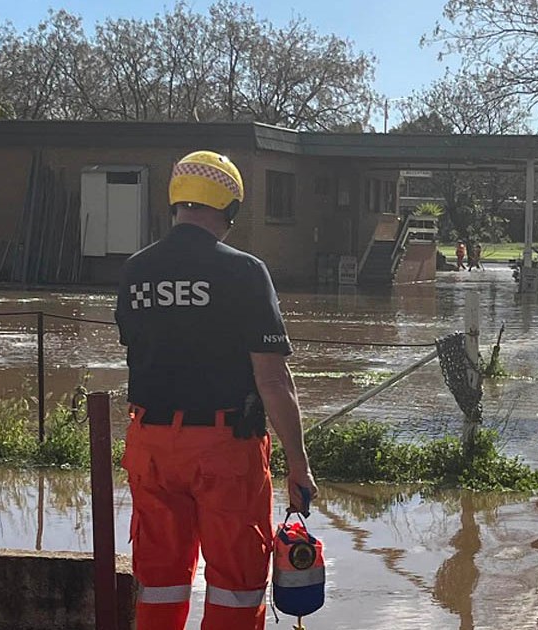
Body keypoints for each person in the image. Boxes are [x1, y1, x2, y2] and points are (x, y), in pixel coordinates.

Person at [115, 150, 317, 630]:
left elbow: (142, 350)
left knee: (159, 581)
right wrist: (299, 463)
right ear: (229, 208)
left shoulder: (135, 271)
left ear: (176, 203)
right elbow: (272, 379)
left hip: (151, 445)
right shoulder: (244, 271)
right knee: (236, 585)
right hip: (225, 449)